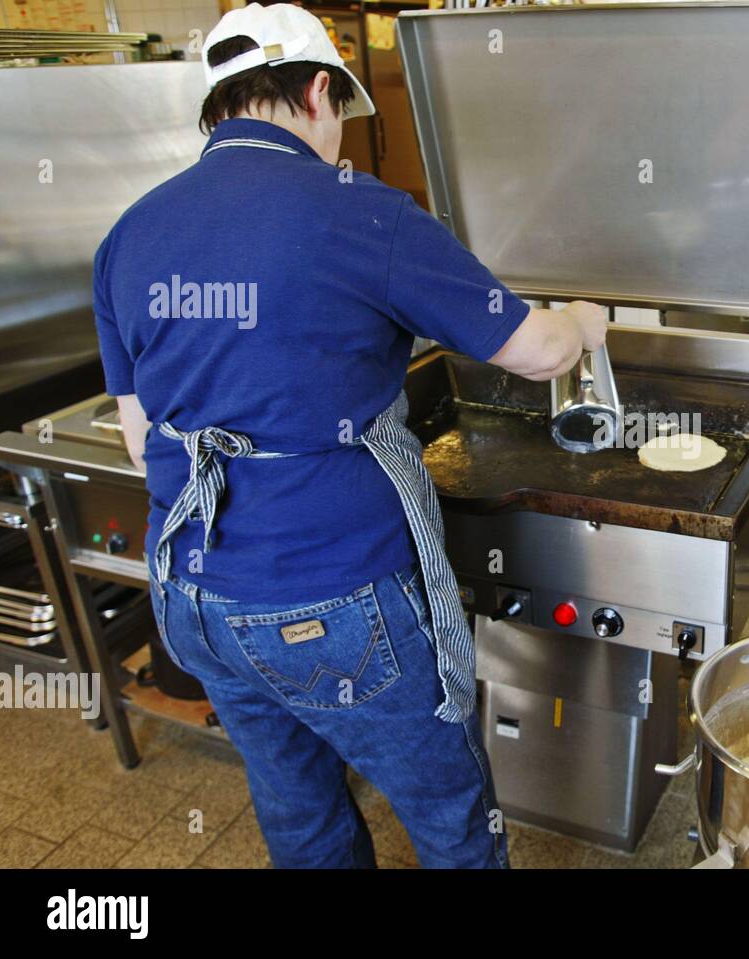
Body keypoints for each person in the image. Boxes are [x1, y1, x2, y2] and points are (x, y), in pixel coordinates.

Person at [92, 2, 606, 868]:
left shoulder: (128, 234)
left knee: (296, 806)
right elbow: (533, 351)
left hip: (192, 594)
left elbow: (141, 439)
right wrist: (585, 321)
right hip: (332, 599)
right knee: (447, 808)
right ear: (321, 91)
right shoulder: (363, 212)